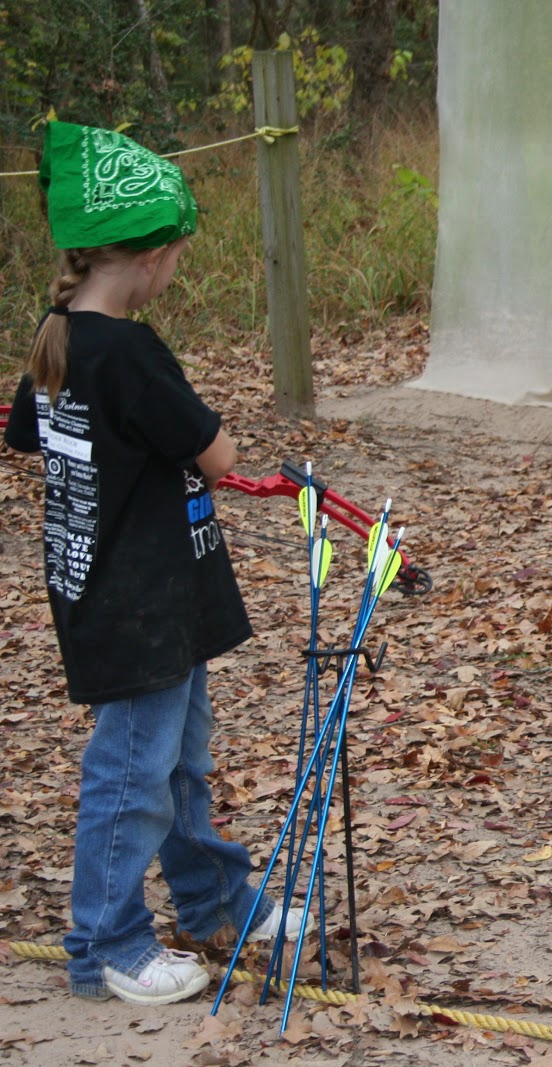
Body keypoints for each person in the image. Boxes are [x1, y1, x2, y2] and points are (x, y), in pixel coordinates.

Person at [4, 121, 300, 1006]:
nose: (176, 269)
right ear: (145, 258)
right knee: (133, 774)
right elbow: (216, 451)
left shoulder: (61, 334)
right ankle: (107, 945)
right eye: (174, 253)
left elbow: (27, 433)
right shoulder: (127, 350)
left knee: (177, 766)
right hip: (140, 603)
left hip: (126, 594)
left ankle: (212, 901)